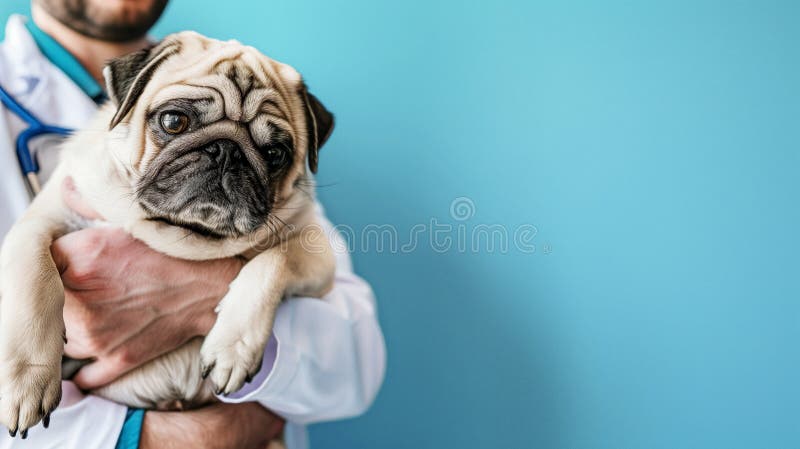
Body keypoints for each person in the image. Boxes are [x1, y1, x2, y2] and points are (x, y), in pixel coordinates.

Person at [0, 1, 386, 448]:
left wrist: (210, 299)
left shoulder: (287, 173)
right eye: (175, 122)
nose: (222, 161)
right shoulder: (159, 74)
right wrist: (185, 437)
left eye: (270, 153)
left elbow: (356, 367)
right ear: (124, 100)